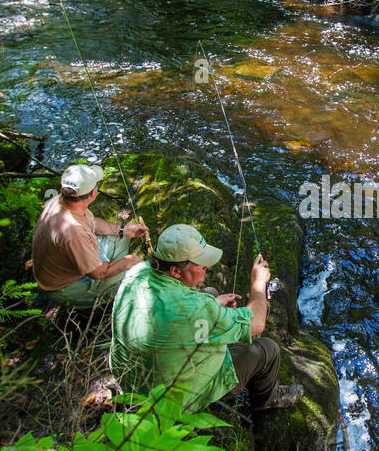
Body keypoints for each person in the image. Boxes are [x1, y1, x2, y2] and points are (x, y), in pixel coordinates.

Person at [110, 223, 302, 414]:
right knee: (267, 350)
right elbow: (257, 324)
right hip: (173, 401)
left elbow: (179, 314)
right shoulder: (198, 309)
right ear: (176, 271)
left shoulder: (137, 272)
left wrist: (212, 304)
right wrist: (258, 284)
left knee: (210, 293)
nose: (207, 266)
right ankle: (267, 399)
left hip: (133, 382)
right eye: (199, 262)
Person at [31, 164, 149, 307]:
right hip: (67, 286)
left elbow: (92, 222)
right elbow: (97, 273)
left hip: (70, 262)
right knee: (136, 273)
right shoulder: (73, 232)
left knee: (122, 236)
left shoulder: (60, 201)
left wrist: (124, 229)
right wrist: (128, 262)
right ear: (93, 194)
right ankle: (99, 298)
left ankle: (114, 265)